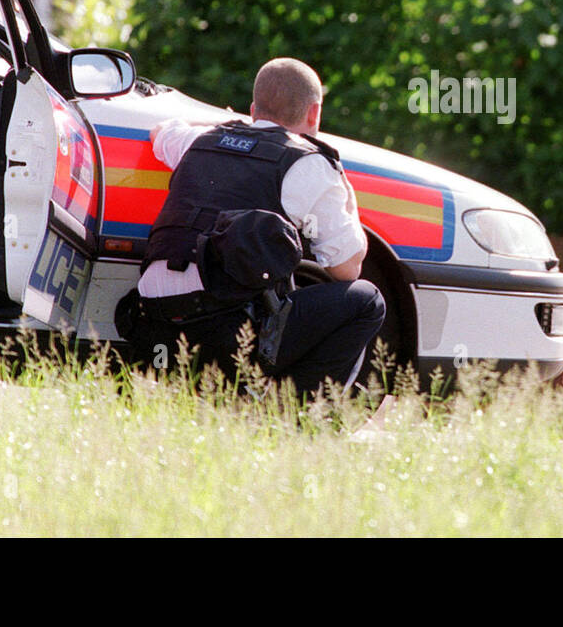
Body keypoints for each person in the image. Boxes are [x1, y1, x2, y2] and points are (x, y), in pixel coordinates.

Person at [125, 57, 385, 396]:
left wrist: (230, 123)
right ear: (314, 113)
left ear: (252, 108)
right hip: (228, 333)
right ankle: (291, 416)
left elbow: (161, 129)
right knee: (367, 301)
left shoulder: (198, 140)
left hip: (151, 322)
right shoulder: (308, 164)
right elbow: (346, 270)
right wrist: (347, 197)